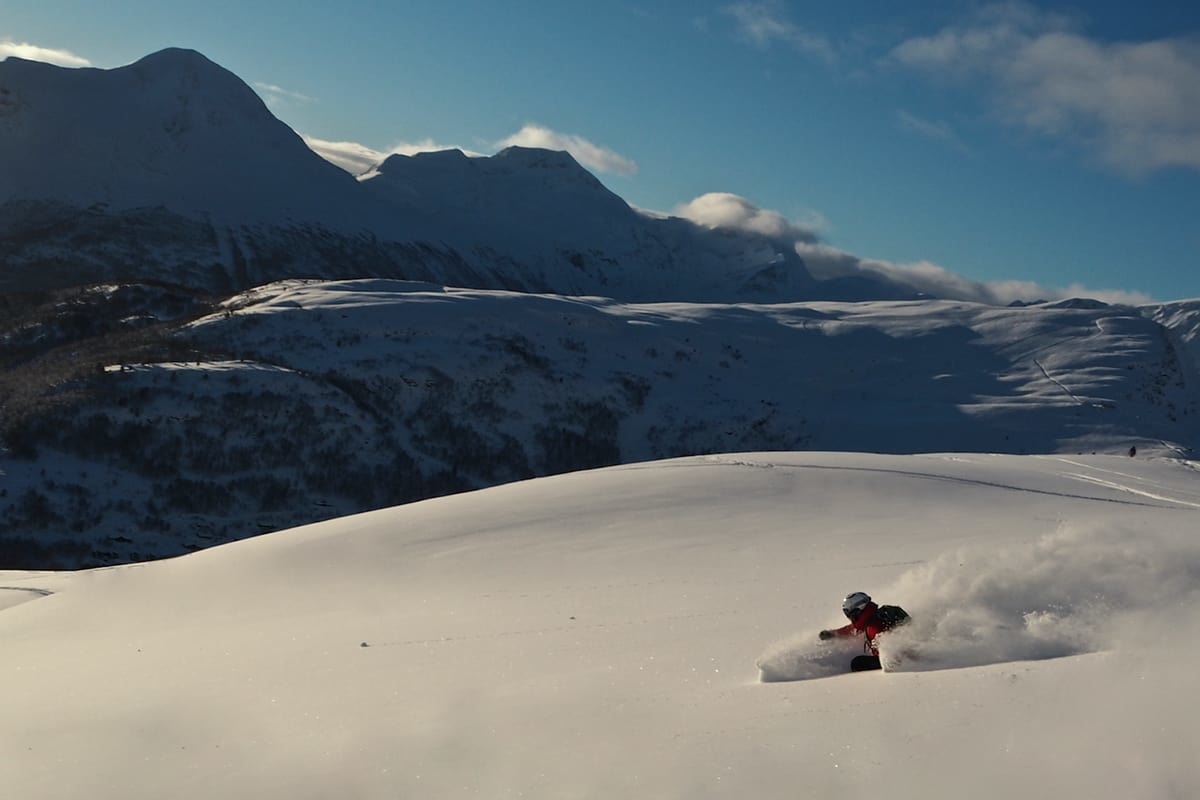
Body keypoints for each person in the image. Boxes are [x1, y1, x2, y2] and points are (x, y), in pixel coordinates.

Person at [819, 591, 910, 671]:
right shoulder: (871, 619)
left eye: (848, 612)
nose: (849, 617)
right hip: (901, 654)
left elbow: (892, 654)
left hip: (903, 658)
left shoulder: (873, 627)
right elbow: (851, 629)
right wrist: (833, 634)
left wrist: (885, 661)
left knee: (857, 663)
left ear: (857, 610)